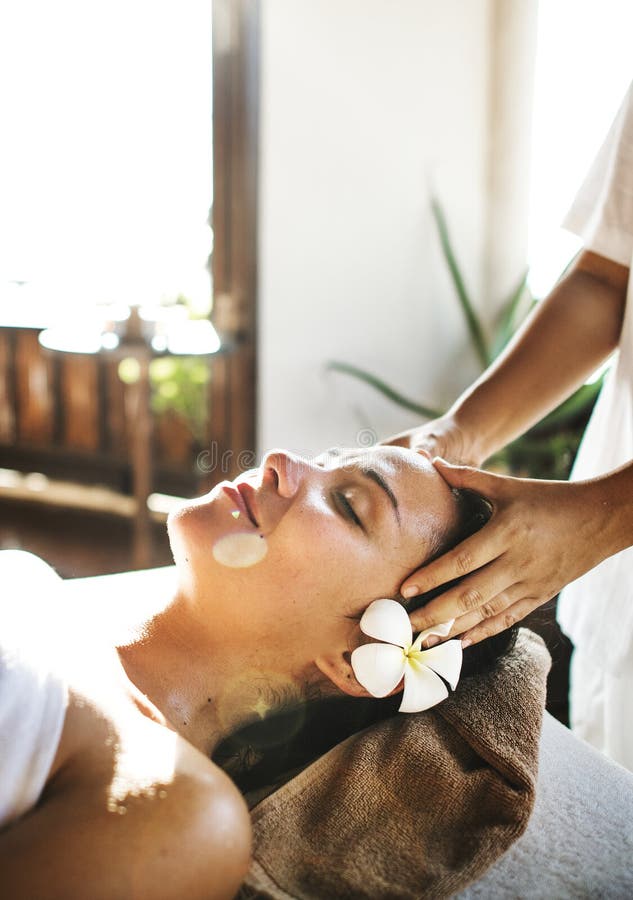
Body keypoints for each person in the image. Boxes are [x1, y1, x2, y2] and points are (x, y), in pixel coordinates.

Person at [0, 445, 513, 898]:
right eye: (324, 460)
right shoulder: (48, 595)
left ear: (356, 659)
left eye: (350, 505)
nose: (281, 462)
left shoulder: (181, 808)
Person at [386, 82, 633, 769]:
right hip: (616, 606)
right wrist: (458, 432)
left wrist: (608, 514)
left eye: (350, 505)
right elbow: (607, 280)